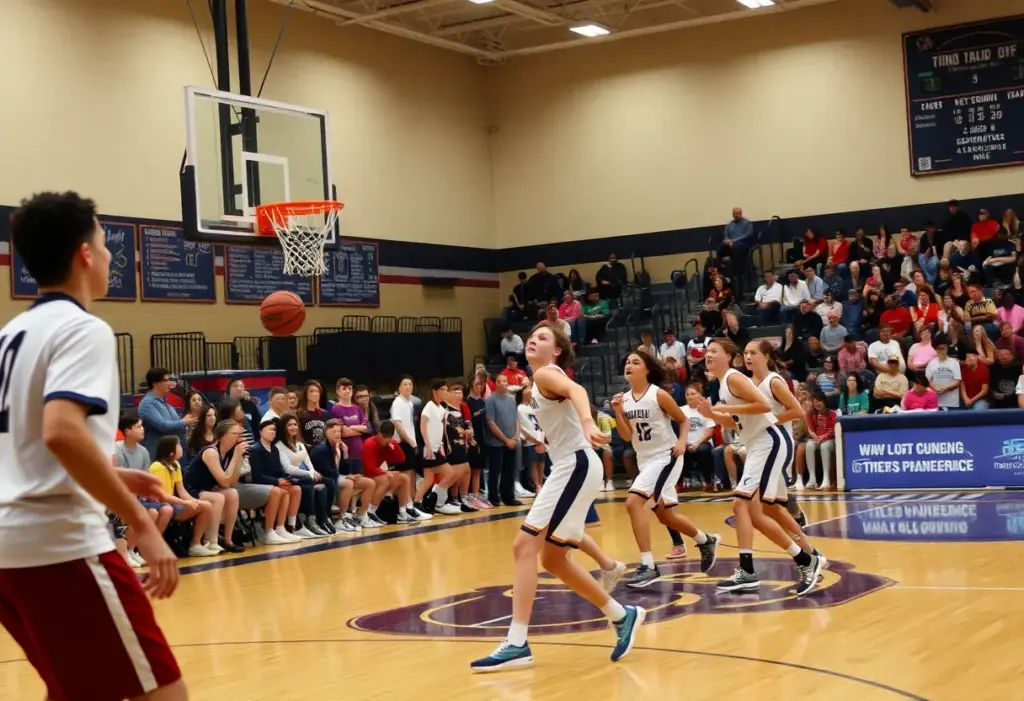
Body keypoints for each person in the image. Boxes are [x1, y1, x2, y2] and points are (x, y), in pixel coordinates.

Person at [0, 191, 185, 701]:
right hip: (58, 542)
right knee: (165, 692)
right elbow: (60, 431)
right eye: (104, 244)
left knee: (76, 692)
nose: (108, 256)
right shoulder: (83, 329)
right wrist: (142, 522)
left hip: (8, 547)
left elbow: (24, 444)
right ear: (85, 254)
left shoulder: (11, 334)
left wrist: (114, 476)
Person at [471, 322, 643, 673]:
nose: (533, 339)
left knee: (523, 547)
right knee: (552, 559)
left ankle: (517, 643)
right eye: (531, 336)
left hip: (576, 465)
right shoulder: (535, 385)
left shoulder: (549, 374)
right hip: (569, 465)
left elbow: (577, 390)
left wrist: (587, 421)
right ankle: (621, 615)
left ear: (557, 351)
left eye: (544, 337)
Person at [695, 339, 823, 595]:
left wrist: (724, 408)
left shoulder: (734, 378)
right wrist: (712, 414)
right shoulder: (724, 384)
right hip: (757, 444)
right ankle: (805, 557)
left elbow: (764, 406)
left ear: (729, 357)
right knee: (760, 510)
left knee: (742, 504)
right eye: (706, 352)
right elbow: (737, 424)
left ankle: (755, 569)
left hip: (769, 442)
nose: (708, 355)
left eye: (713, 351)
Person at [611, 352, 720, 589]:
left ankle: (648, 566)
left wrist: (681, 442)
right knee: (665, 515)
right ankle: (705, 540)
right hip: (645, 459)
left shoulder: (657, 394)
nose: (629, 365)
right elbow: (627, 436)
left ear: (647, 370)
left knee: (633, 503)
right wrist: (619, 412)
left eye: (635, 362)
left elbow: (682, 419)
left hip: (666, 456)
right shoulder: (625, 399)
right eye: (627, 361)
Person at [746, 341, 824, 550]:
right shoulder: (747, 383)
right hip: (759, 443)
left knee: (763, 500)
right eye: (745, 353)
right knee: (772, 496)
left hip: (778, 442)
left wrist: (769, 420)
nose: (747, 357)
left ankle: (804, 550)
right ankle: (801, 531)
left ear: (766, 356)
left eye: (753, 352)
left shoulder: (774, 381)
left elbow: (797, 411)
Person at [148, 436, 218, 557]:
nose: (181, 448)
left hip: (172, 503)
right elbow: (162, 496)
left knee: (205, 505)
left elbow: (181, 490)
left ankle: (195, 545)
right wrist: (185, 503)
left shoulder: (175, 465)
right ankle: (154, 547)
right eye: (178, 445)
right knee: (176, 508)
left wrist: (193, 501)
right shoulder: (157, 467)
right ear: (170, 451)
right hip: (160, 504)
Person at [277, 413, 335, 535]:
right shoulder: (279, 446)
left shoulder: (299, 444)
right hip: (290, 477)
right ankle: (309, 521)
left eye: (295, 424)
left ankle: (324, 517)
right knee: (309, 481)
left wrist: (312, 472)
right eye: (289, 425)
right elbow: (287, 468)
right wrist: (309, 474)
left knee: (329, 482)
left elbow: (308, 462)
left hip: (304, 475)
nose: (293, 427)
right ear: (283, 428)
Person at [414, 380, 462, 515]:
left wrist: (444, 444)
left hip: (437, 448)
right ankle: (432, 499)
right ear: (435, 391)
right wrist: (427, 445)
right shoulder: (429, 407)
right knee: (450, 473)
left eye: (447, 390)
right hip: (429, 449)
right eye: (443, 390)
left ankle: (420, 501)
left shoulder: (441, 408)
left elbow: (441, 429)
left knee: (429, 479)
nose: (445, 392)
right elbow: (423, 427)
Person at [362, 421, 423, 523]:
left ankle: (402, 513)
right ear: (380, 434)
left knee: (404, 478)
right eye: (385, 438)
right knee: (385, 479)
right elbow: (369, 467)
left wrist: (394, 445)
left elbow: (401, 459)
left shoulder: (390, 443)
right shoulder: (369, 443)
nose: (387, 440)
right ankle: (371, 512)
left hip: (377, 473)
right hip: (365, 474)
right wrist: (384, 472)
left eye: (390, 438)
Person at [139, 367, 197, 458]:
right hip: (156, 456)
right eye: (165, 381)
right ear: (155, 384)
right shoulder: (147, 404)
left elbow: (175, 423)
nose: (169, 384)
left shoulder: (166, 403)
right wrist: (184, 422)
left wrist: (185, 420)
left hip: (171, 456)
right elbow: (163, 425)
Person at [484, 375, 521, 508]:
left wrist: (515, 438)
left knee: (509, 470)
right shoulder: (490, 400)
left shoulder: (511, 400)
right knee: (495, 470)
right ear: (495, 384)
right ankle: (493, 497)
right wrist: (506, 440)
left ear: (507, 383)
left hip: (512, 441)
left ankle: (508, 497)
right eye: (498, 381)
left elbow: (517, 420)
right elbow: (490, 422)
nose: (501, 383)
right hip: (496, 443)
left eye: (504, 381)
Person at [804, 391, 836, 490]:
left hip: (830, 440)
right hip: (817, 439)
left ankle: (826, 479)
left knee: (824, 446)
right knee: (809, 445)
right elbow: (811, 428)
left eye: (818, 401)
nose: (816, 404)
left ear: (824, 401)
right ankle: (812, 479)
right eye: (814, 402)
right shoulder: (811, 414)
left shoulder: (832, 413)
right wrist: (813, 435)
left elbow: (833, 431)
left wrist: (823, 437)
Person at [925, 336, 962, 410]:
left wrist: (946, 388)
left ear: (947, 349)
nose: (940, 351)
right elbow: (927, 381)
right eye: (938, 348)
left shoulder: (954, 363)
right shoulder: (931, 363)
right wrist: (935, 388)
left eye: (943, 348)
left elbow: (958, 381)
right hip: (935, 403)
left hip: (952, 403)